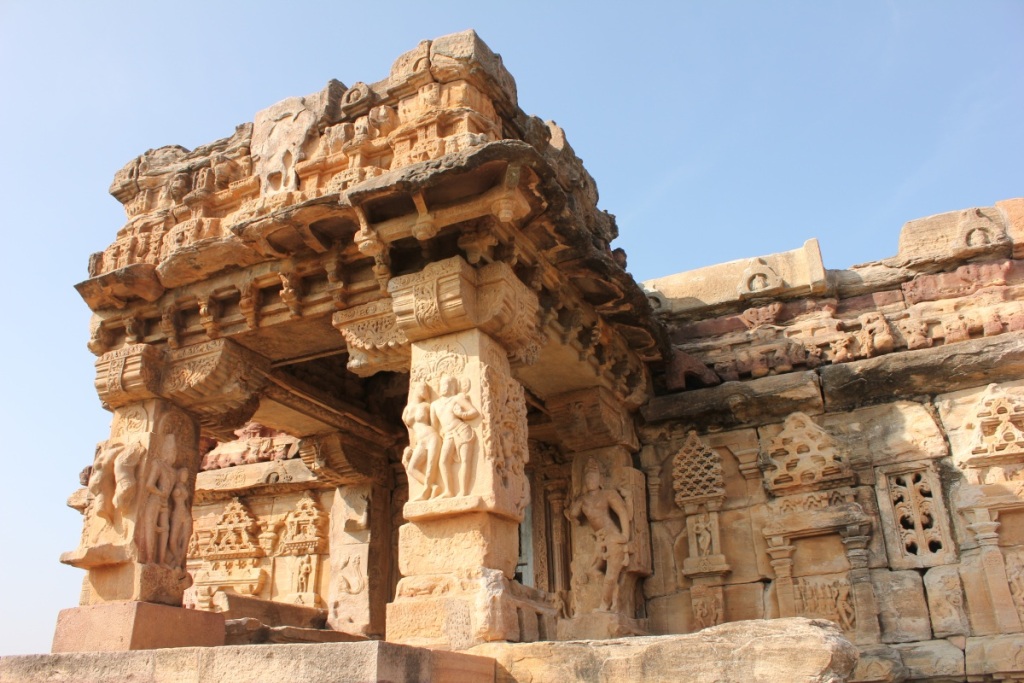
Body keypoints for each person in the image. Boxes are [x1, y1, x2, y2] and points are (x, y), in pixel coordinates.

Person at [566, 459, 631, 612]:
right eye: (587, 477)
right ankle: (612, 597)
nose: (590, 480)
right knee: (593, 571)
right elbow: (573, 515)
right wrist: (573, 508)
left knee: (610, 576)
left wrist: (625, 535)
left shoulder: (608, 494)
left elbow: (622, 512)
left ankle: (605, 605)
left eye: (594, 477)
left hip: (613, 536)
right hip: (599, 539)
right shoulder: (583, 500)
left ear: (601, 479)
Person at [432, 377, 480, 498]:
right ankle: (449, 490)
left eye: (448, 384)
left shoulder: (457, 398)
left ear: (453, 387)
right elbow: (434, 426)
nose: (445, 387)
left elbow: (474, 412)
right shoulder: (435, 405)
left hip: (462, 430)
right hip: (448, 435)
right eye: (443, 384)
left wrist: (461, 414)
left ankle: (464, 491)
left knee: (465, 460)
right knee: (443, 461)